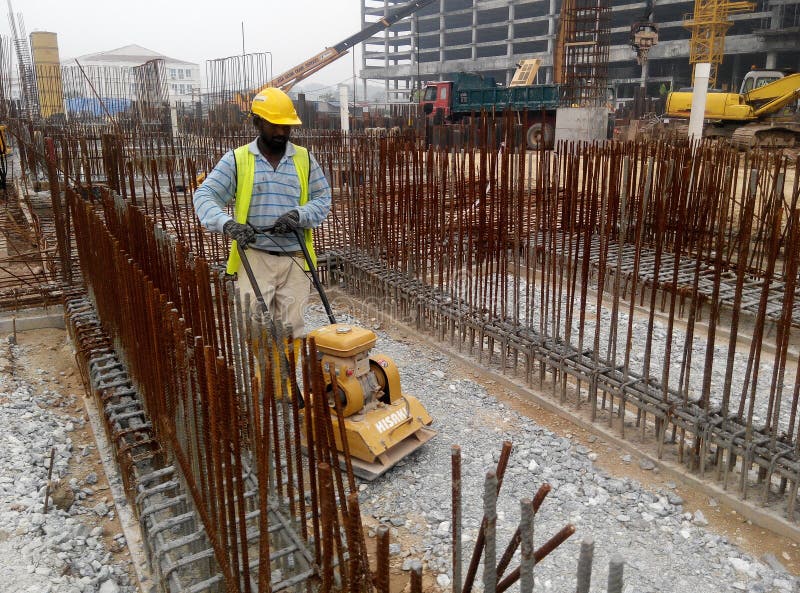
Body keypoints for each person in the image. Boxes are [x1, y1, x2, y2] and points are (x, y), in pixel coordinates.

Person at [193, 87, 331, 340]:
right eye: (273, 125)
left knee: (292, 330)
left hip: (295, 257)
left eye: (286, 126)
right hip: (255, 257)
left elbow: (323, 199)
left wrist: (298, 215)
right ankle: (265, 368)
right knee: (255, 330)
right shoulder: (237, 159)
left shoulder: (304, 159)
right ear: (257, 122)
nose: (281, 132)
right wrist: (227, 224)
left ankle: (287, 369)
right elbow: (204, 195)